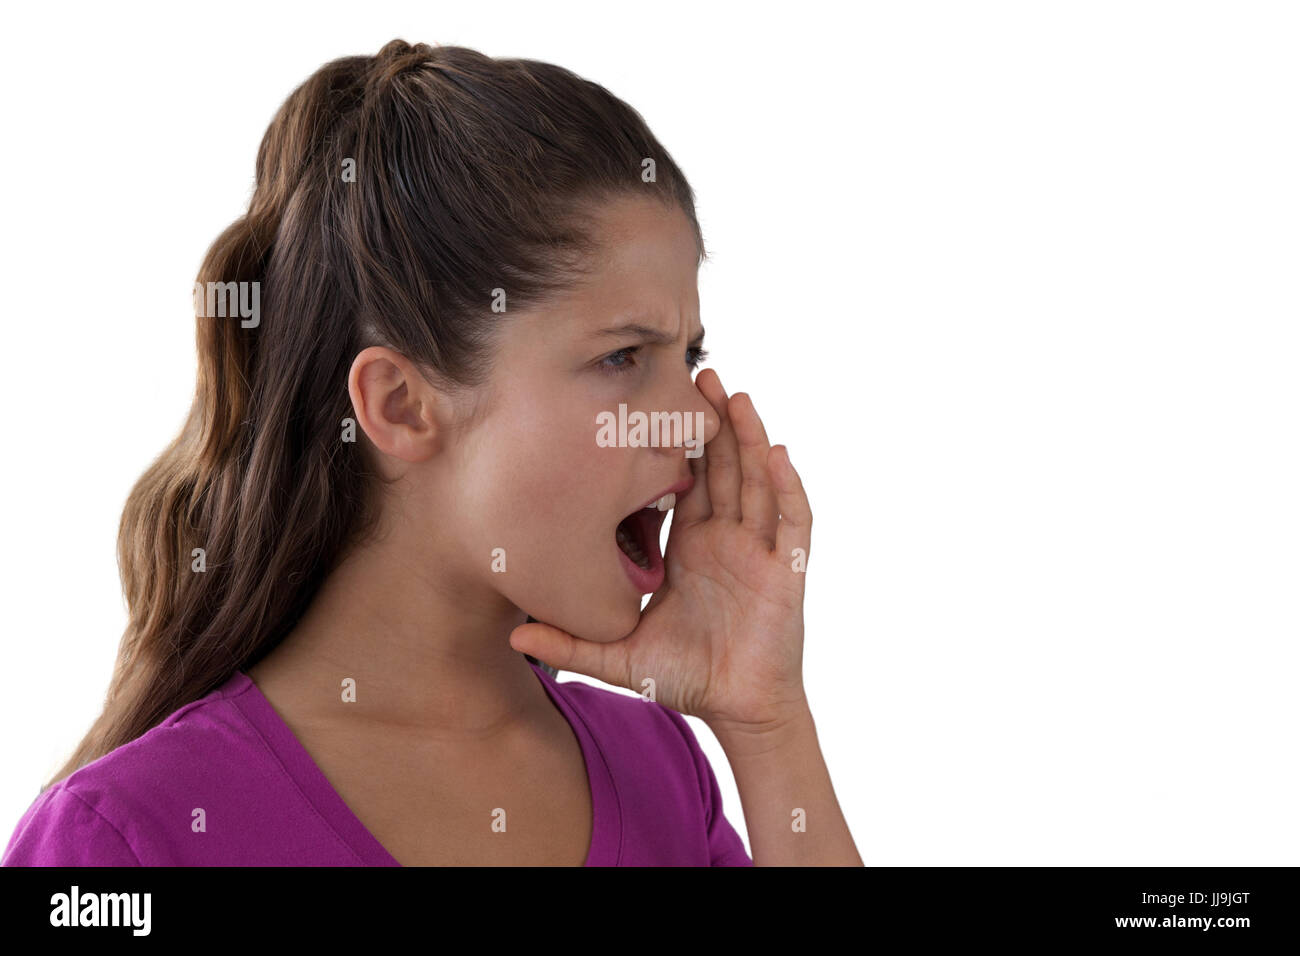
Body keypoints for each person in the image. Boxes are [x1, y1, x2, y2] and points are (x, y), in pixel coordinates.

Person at [2, 39, 860, 866]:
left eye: (691, 358)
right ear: (402, 405)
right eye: (622, 357)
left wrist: (766, 721)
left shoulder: (661, 770)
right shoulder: (127, 835)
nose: (694, 420)